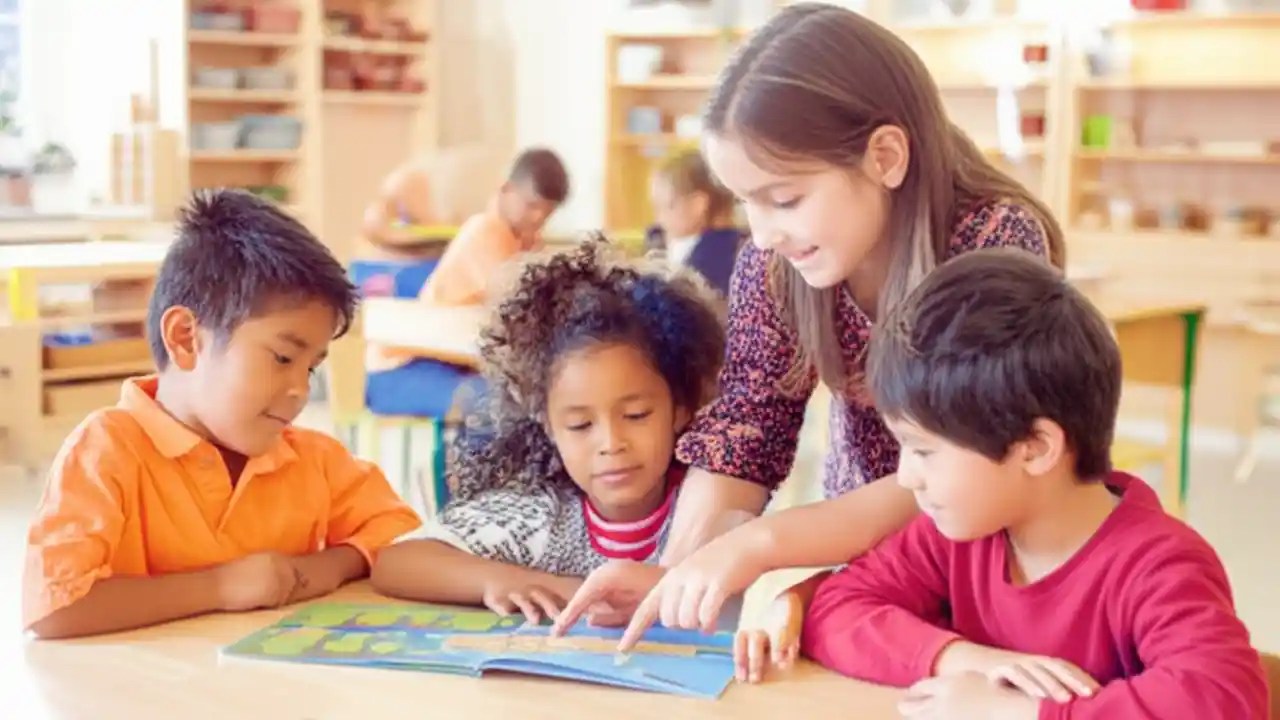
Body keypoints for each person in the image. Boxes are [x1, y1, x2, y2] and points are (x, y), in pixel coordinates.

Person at [555, 1, 1065, 672]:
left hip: (992, 566)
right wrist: (677, 572)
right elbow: (746, 431)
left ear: (885, 157)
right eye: (746, 202)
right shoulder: (774, 266)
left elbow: (956, 467)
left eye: (785, 199)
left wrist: (756, 547)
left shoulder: (992, 243)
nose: (764, 233)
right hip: (865, 563)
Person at [803, 248, 1269, 718]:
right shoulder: (957, 537)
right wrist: (969, 661)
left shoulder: (1159, 565)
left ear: (1035, 447)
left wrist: (1020, 711)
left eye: (924, 451)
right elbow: (834, 610)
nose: (906, 477)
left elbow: (1225, 700)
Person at [22, 190, 421, 639]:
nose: (301, 389)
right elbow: (55, 607)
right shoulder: (106, 449)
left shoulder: (313, 460)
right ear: (185, 338)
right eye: (283, 358)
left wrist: (326, 567)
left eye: (311, 368)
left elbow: (400, 534)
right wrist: (221, 587)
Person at [369, 238, 725, 626]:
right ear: (549, 427)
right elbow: (396, 562)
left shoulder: (711, 507)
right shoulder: (542, 519)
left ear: (680, 409)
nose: (611, 444)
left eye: (636, 415)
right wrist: (509, 581)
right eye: (580, 425)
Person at [363, 147, 571, 419]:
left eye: (547, 212)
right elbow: (523, 305)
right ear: (506, 190)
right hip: (405, 366)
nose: (537, 219)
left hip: (453, 362)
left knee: (528, 397)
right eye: (531, 206)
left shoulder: (526, 243)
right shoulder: (484, 233)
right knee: (502, 403)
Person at [645, 147, 745, 298]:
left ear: (697, 205)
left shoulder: (712, 260)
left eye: (667, 206)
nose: (659, 219)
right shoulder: (734, 245)